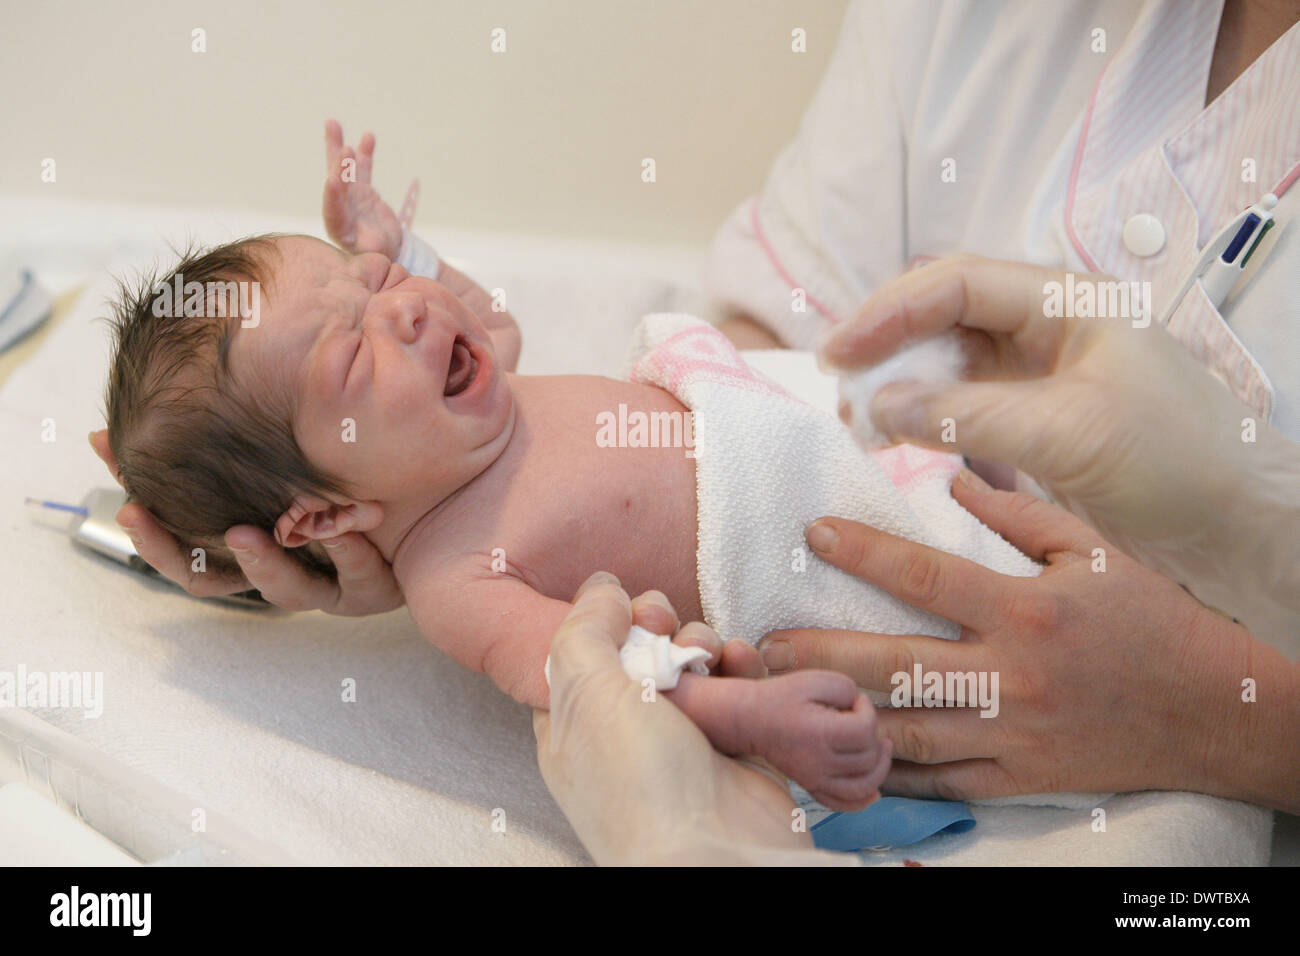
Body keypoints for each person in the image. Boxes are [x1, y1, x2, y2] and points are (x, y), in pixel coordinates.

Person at [90, 0, 1300, 860]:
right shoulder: (461, 575)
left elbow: (474, 314)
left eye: (370, 280)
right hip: (839, 577)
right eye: (355, 343)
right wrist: (752, 717)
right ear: (327, 516)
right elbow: (608, 681)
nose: (407, 307)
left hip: (853, 465)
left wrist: (392, 249)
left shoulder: (477, 386)